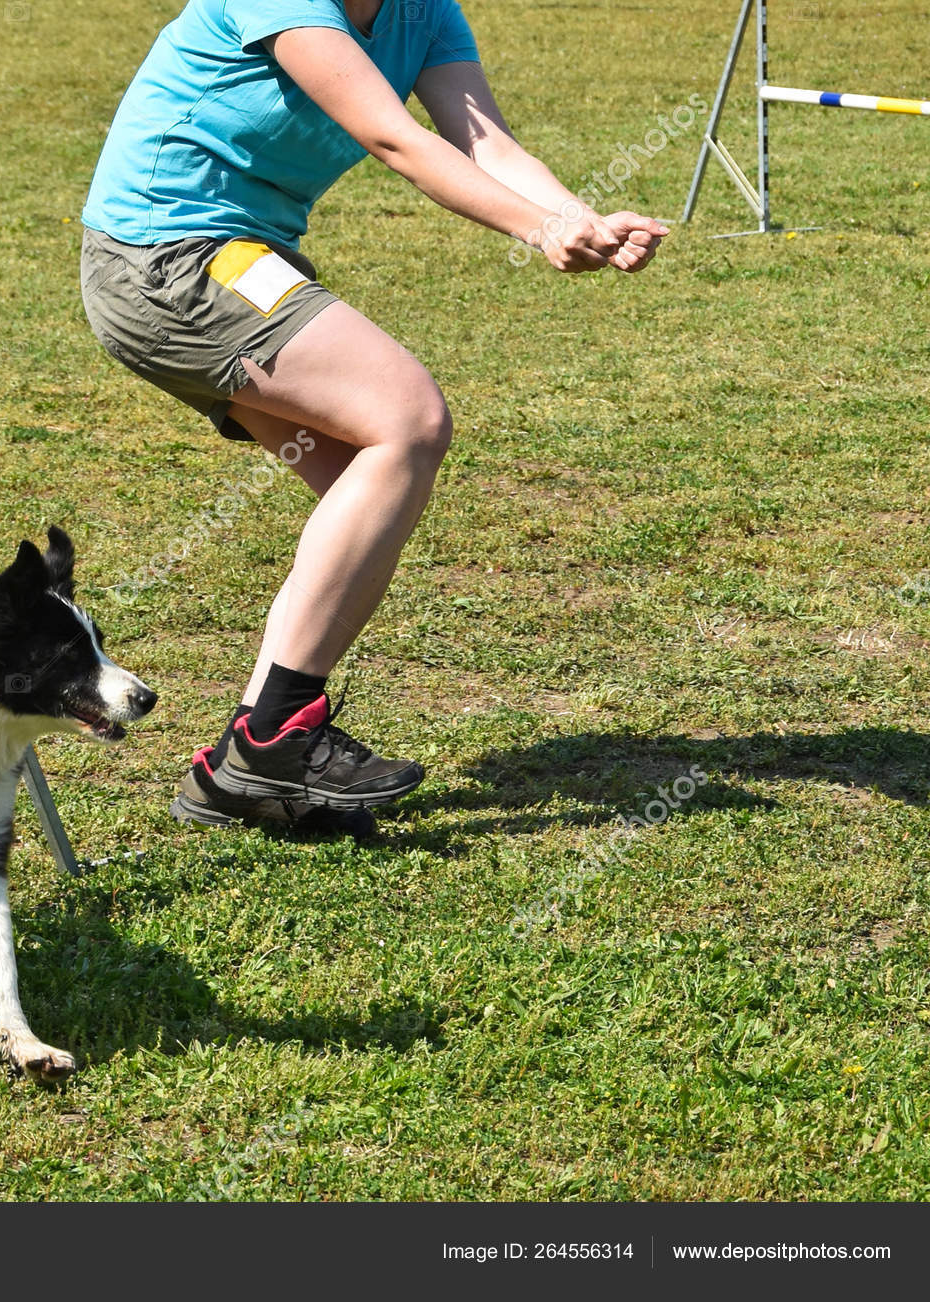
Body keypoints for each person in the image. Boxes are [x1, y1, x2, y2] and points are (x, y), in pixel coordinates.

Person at [79, 0, 668, 835]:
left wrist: (578, 218)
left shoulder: (426, 12)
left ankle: (247, 769)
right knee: (409, 417)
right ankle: (276, 734)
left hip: (243, 258)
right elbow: (394, 137)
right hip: (164, 259)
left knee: (371, 482)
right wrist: (537, 229)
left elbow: (485, 142)